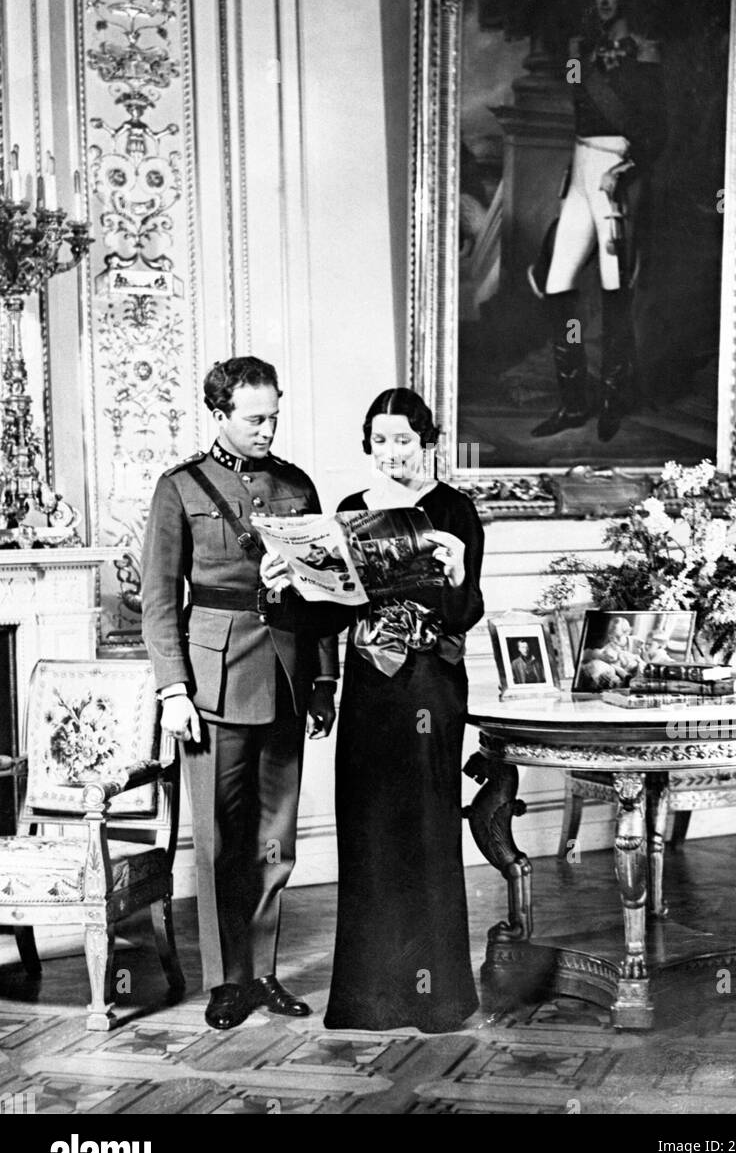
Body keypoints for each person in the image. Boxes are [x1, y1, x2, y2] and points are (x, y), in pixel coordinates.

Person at [265, 388, 484, 1033]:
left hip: (429, 687)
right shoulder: (351, 512)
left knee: (426, 829)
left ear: (426, 444)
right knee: (368, 831)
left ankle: (438, 999)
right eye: (380, 440)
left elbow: (465, 611)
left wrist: (458, 566)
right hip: (370, 688)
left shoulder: (454, 509)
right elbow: (332, 612)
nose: (391, 453)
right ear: (369, 445)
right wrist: (289, 580)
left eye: (404, 441)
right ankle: (370, 999)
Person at [141, 356, 339, 1032]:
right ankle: (228, 982)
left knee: (275, 840)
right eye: (254, 419)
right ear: (219, 414)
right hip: (213, 683)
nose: (267, 429)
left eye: (274, 416)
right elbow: (159, 600)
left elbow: (325, 597)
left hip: (284, 672)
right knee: (222, 839)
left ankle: (264, 972)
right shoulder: (180, 488)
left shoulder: (296, 485)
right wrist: (173, 688)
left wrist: (322, 680)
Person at [528, 0, 666, 443]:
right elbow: (575, 97)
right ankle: (572, 402)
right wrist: (575, 58)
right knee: (558, 284)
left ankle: (612, 399)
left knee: (614, 292)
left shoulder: (645, 52)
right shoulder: (583, 49)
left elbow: (654, 130)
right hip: (581, 170)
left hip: (614, 175)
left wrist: (621, 173)